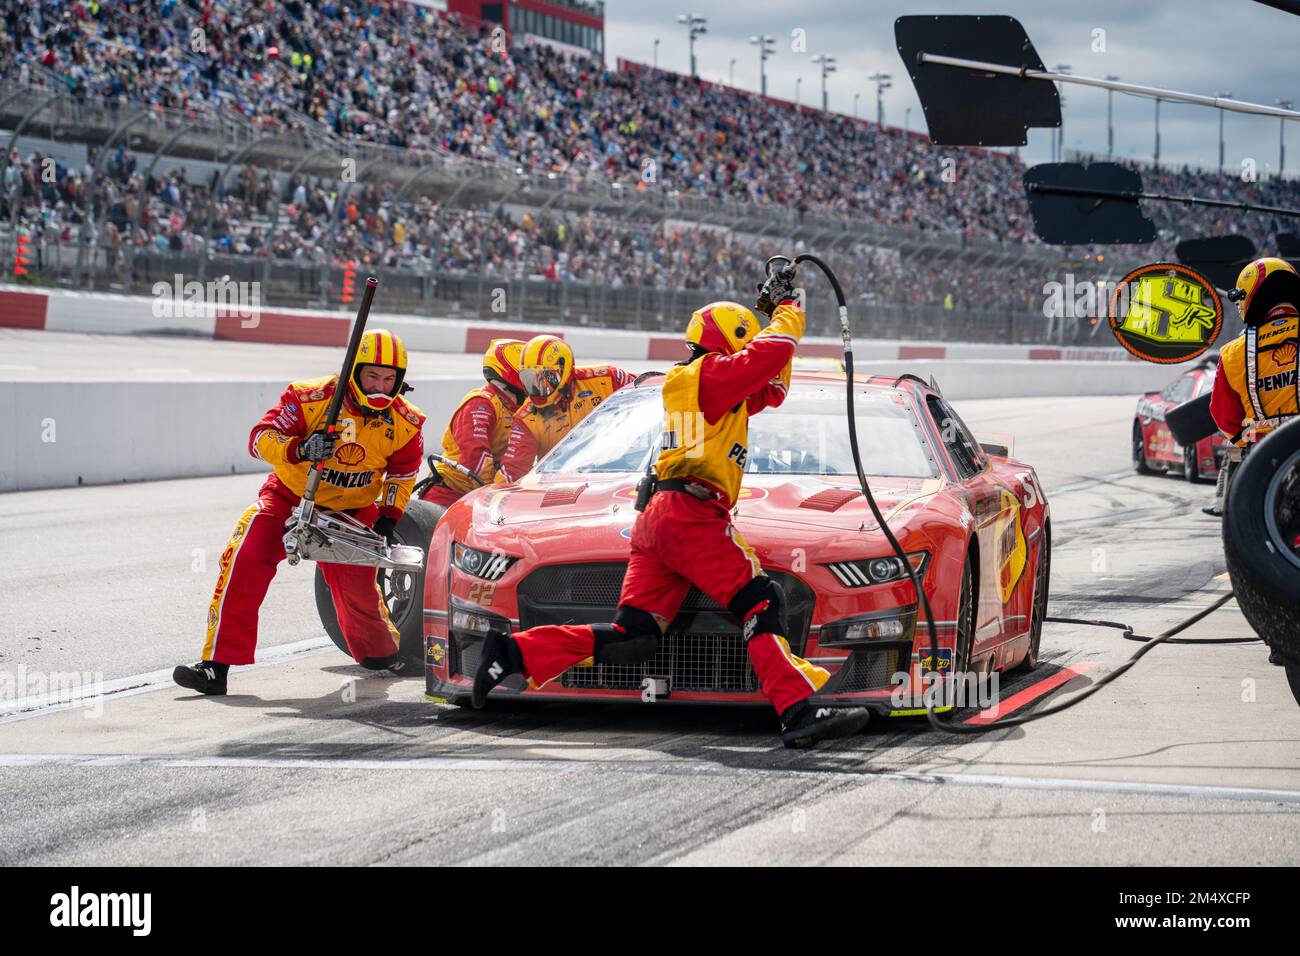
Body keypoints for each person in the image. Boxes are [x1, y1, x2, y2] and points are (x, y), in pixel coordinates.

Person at [471, 286, 871, 749]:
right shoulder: (706, 376)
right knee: (761, 601)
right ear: (731, 343)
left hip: (661, 516)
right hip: (690, 514)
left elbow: (773, 387)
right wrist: (789, 311)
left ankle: (514, 651)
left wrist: (769, 324)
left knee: (632, 636)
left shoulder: (714, 385)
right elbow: (770, 354)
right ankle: (797, 709)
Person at [173, 329, 426, 695]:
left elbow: (402, 473)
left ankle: (381, 656)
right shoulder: (308, 398)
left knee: (358, 588)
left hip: (353, 512)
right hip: (291, 499)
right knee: (245, 556)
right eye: (372, 376)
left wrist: (389, 515)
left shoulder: (408, 421)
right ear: (353, 371)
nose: (380, 388)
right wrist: (300, 448)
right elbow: (259, 439)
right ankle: (216, 666)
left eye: (389, 380)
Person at [1210, 257, 1300, 666]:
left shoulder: (1232, 355)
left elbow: (1224, 417)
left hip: (1267, 477)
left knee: (1268, 553)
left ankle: (1280, 638)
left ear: (1249, 300)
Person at [494, 334, 635, 483]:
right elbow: (513, 470)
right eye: (530, 379)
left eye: (548, 377)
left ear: (565, 369)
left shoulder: (607, 378)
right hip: (563, 483)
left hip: (619, 469)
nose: (538, 388)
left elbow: (648, 393)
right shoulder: (526, 419)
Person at [419, 338, 526, 511]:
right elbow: (476, 457)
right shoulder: (481, 404)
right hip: (448, 496)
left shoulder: (518, 408)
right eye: (528, 373)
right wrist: (501, 491)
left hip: (482, 497)